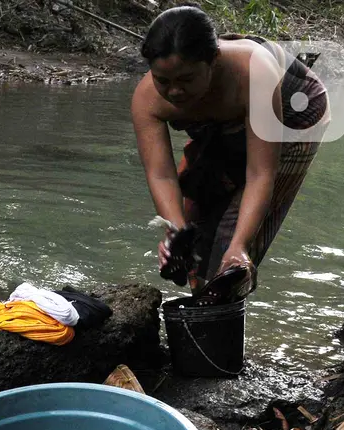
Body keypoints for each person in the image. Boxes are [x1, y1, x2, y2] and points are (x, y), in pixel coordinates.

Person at [131, 6, 330, 299]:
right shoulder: (147, 99)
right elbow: (161, 175)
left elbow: (261, 173)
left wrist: (239, 245)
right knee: (193, 238)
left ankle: (224, 300)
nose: (174, 92)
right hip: (221, 126)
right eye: (164, 81)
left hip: (294, 115)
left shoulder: (253, 72)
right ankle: (201, 304)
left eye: (185, 80)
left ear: (214, 60)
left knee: (230, 252)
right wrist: (176, 234)